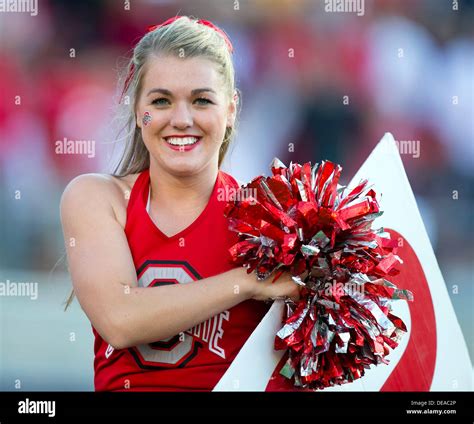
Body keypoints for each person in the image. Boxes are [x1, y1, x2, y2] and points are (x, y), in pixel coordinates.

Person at [60, 15, 299, 392]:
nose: (182, 119)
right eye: (161, 100)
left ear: (231, 109)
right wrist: (247, 282)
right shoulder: (96, 198)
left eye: (202, 100)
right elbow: (119, 320)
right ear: (139, 110)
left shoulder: (271, 220)